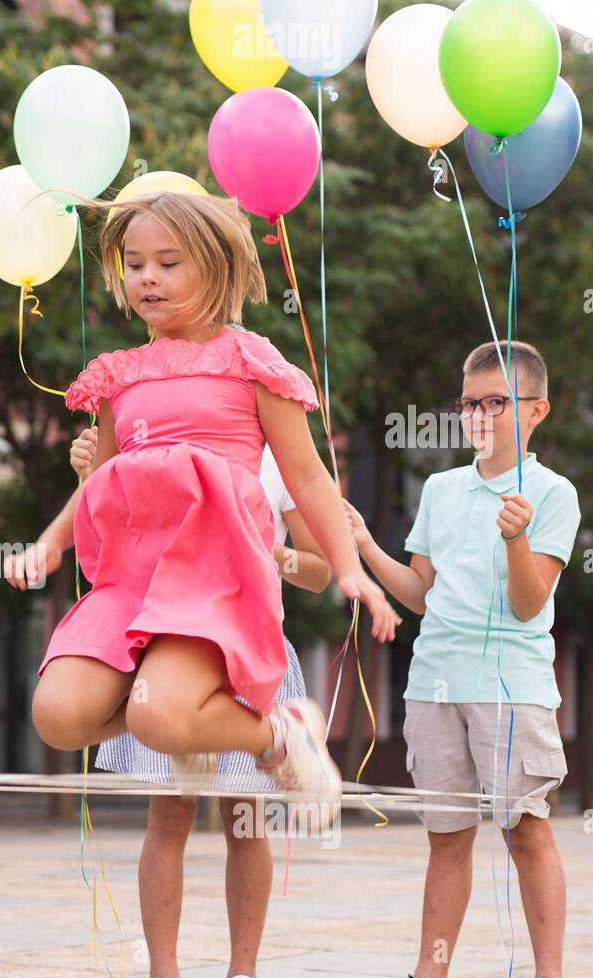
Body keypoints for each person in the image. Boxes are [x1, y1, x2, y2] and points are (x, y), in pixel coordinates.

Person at [29, 190, 398, 827]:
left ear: (215, 266)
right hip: (132, 578)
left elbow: (308, 479)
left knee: (155, 713)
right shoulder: (120, 377)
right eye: (136, 263)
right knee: (58, 716)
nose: (147, 277)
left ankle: (280, 733)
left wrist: (349, 569)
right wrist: (51, 541)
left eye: (168, 263)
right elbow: (103, 478)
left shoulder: (250, 363)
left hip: (212, 581)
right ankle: (199, 728)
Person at [9, 427, 331, 978]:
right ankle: (164, 977)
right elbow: (109, 537)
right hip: (163, 654)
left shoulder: (274, 456)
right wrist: (90, 472)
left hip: (244, 647)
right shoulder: (145, 446)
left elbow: (317, 571)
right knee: (169, 817)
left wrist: (268, 551)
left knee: (246, 819)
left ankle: (244, 973)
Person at [348, 340, 585, 978]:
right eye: (469, 403)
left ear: (536, 410)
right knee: (446, 839)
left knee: (525, 831)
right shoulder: (441, 490)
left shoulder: (552, 494)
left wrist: (516, 538)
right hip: (434, 684)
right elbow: (420, 592)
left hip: (511, 687)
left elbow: (528, 600)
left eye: (496, 402)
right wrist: (363, 543)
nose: (479, 415)